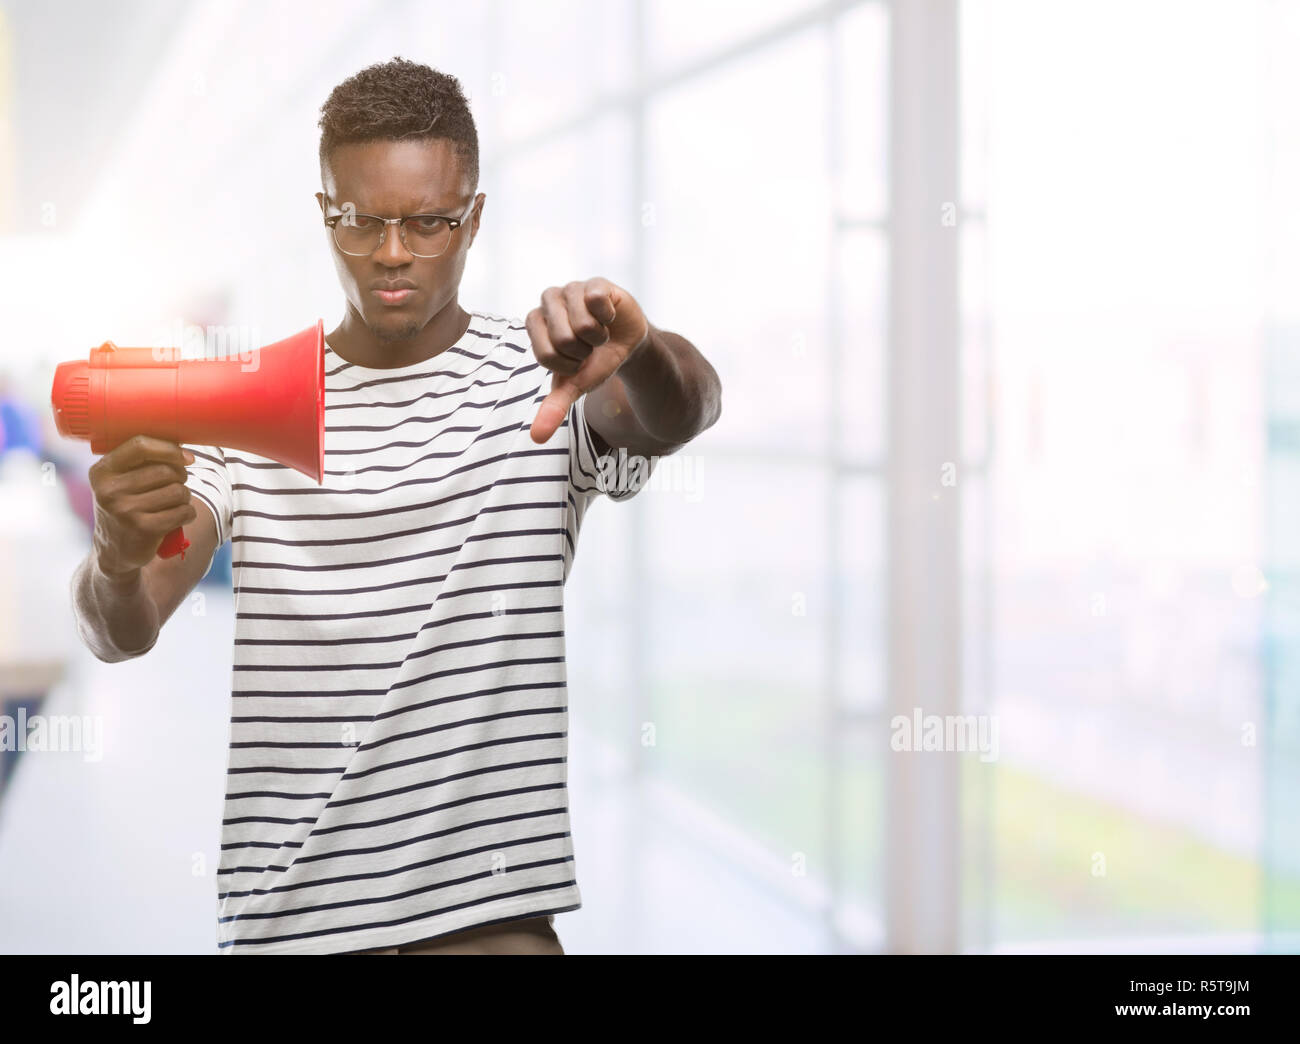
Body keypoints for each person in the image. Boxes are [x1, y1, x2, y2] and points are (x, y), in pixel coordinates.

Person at [68, 56, 721, 955]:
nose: (392, 251)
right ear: (323, 211)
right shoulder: (239, 405)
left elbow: (679, 411)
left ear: (475, 215)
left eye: (429, 221)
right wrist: (114, 554)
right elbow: (122, 630)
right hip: (287, 927)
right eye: (360, 220)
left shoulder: (553, 383)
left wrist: (640, 347)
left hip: (491, 930)